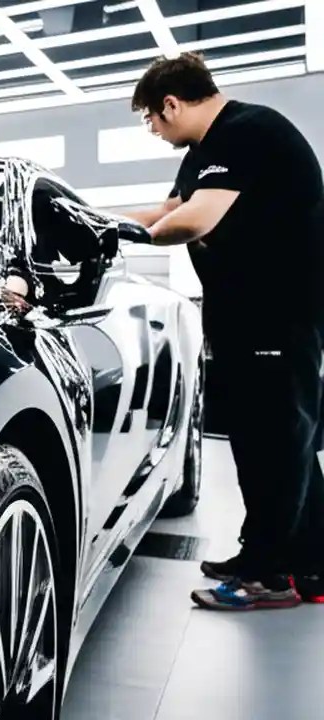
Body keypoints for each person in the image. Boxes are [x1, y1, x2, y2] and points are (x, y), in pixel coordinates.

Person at [120, 52, 324, 610]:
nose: (154, 131)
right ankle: (307, 567)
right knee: (282, 444)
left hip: (275, 314)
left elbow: (192, 220)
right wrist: (98, 220)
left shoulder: (246, 132)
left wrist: (126, 240)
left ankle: (269, 576)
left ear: (171, 104)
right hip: (250, 316)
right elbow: (169, 205)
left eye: (152, 120)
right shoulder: (210, 147)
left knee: (275, 444)